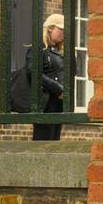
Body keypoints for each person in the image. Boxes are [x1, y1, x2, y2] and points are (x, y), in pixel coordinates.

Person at [29, 13, 66, 141]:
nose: (63, 33)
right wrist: (58, 88)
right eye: (61, 29)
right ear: (50, 28)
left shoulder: (59, 51)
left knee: (54, 142)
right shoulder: (39, 48)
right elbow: (33, 72)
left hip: (58, 103)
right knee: (43, 142)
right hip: (45, 103)